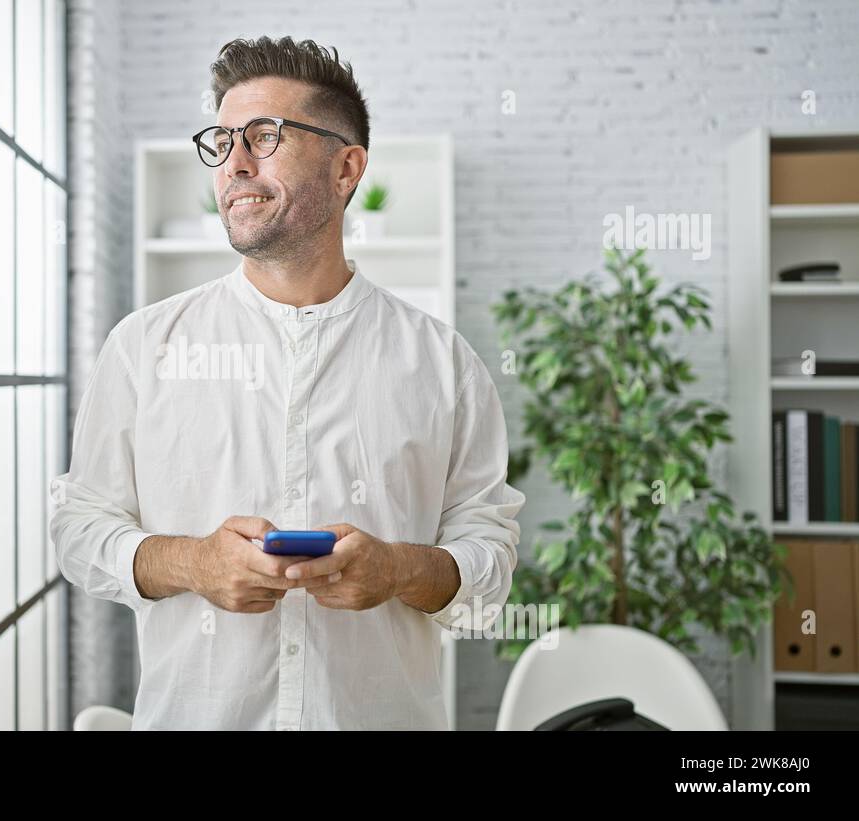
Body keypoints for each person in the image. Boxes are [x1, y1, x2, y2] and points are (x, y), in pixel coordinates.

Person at [51, 35, 525, 730]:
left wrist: (395, 569)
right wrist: (193, 563)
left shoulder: (443, 364)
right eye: (222, 140)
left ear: (345, 168)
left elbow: (489, 571)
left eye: (265, 136)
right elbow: (78, 528)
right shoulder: (142, 348)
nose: (234, 163)